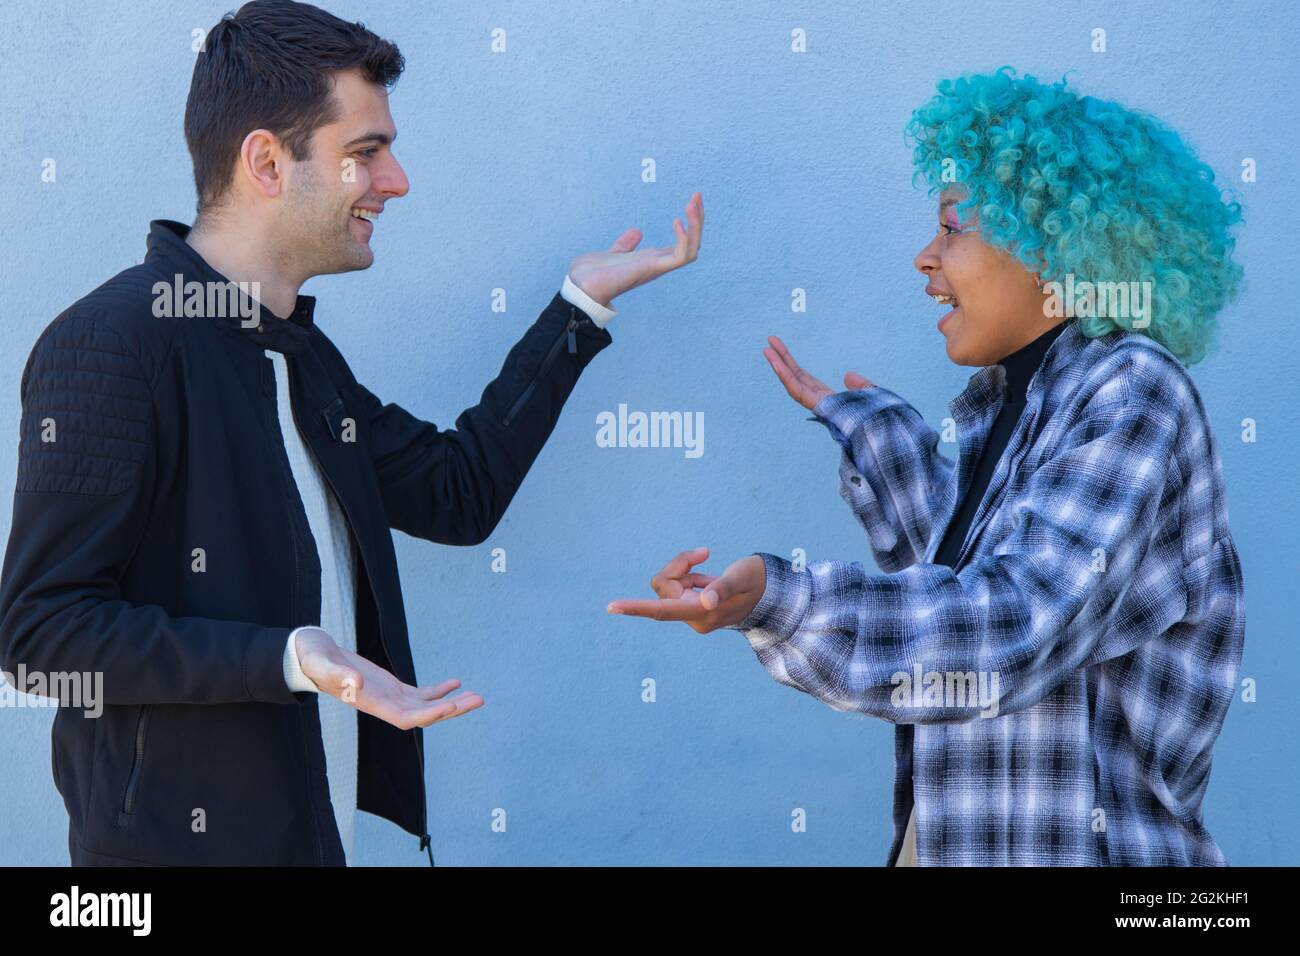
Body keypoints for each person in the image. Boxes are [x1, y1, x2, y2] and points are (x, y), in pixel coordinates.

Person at [0, 0, 703, 866]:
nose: (396, 181)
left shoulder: (299, 352)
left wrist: (578, 310)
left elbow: (458, 493)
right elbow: (39, 634)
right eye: (364, 153)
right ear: (267, 161)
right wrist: (290, 657)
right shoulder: (111, 342)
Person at [607, 66, 1244, 866]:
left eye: (952, 228)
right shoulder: (1005, 407)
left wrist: (780, 598)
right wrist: (885, 445)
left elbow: (1005, 630)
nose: (923, 257)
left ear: (1056, 246)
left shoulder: (1135, 393)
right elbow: (962, 590)